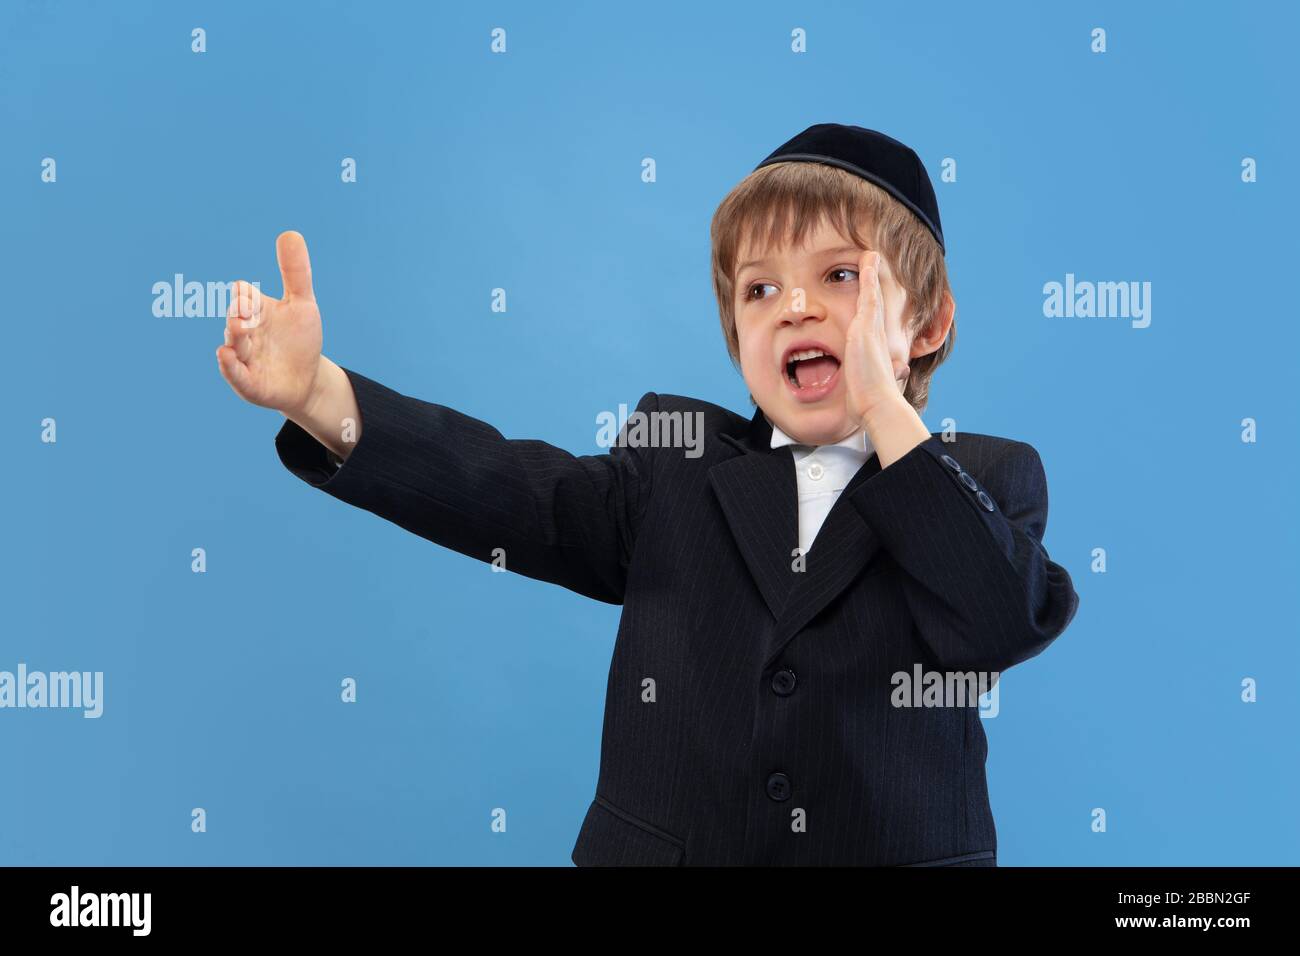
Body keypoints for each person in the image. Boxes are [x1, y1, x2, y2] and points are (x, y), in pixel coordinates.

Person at [216, 123, 1080, 866]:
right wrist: (316, 393)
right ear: (737, 333)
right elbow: (506, 489)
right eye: (761, 289)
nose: (796, 307)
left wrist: (887, 412)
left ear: (925, 325)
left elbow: (997, 621)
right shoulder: (678, 460)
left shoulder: (993, 479)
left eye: (841, 277)